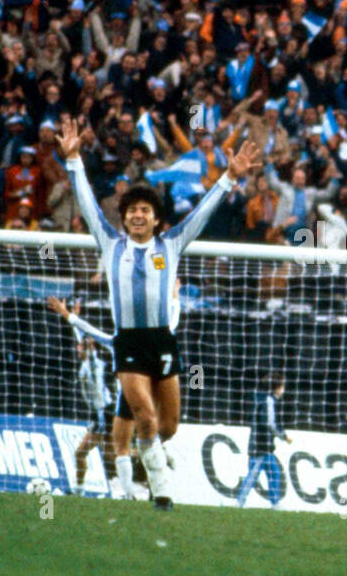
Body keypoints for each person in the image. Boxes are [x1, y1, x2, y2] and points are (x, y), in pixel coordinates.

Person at [59, 115, 260, 510]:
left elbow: (202, 212)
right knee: (146, 418)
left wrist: (229, 178)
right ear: (125, 216)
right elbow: (84, 199)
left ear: (155, 218)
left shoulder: (171, 243)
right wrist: (74, 161)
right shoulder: (109, 242)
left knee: (167, 427)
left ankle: (141, 458)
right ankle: (161, 492)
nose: (136, 215)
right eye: (131, 210)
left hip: (163, 341)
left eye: (144, 211)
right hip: (129, 342)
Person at [46, 296, 128, 497]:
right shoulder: (86, 363)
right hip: (99, 413)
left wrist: (70, 315)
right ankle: (80, 491)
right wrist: (74, 315)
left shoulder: (93, 363)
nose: (77, 348)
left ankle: (139, 470)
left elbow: (86, 338)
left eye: (81, 347)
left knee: (103, 453)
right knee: (98, 453)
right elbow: (81, 338)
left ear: (90, 348)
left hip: (105, 413)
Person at [238, 372, 292, 508]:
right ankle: (239, 502)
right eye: (282, 386)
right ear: (277, 387)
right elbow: (270, 423)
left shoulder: (266, 399)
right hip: (260, 445)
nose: (283, 389)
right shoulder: (268, 401)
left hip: (266, 447)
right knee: (253, 476)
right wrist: (283, 436)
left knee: (274, 472)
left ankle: (275, 503)